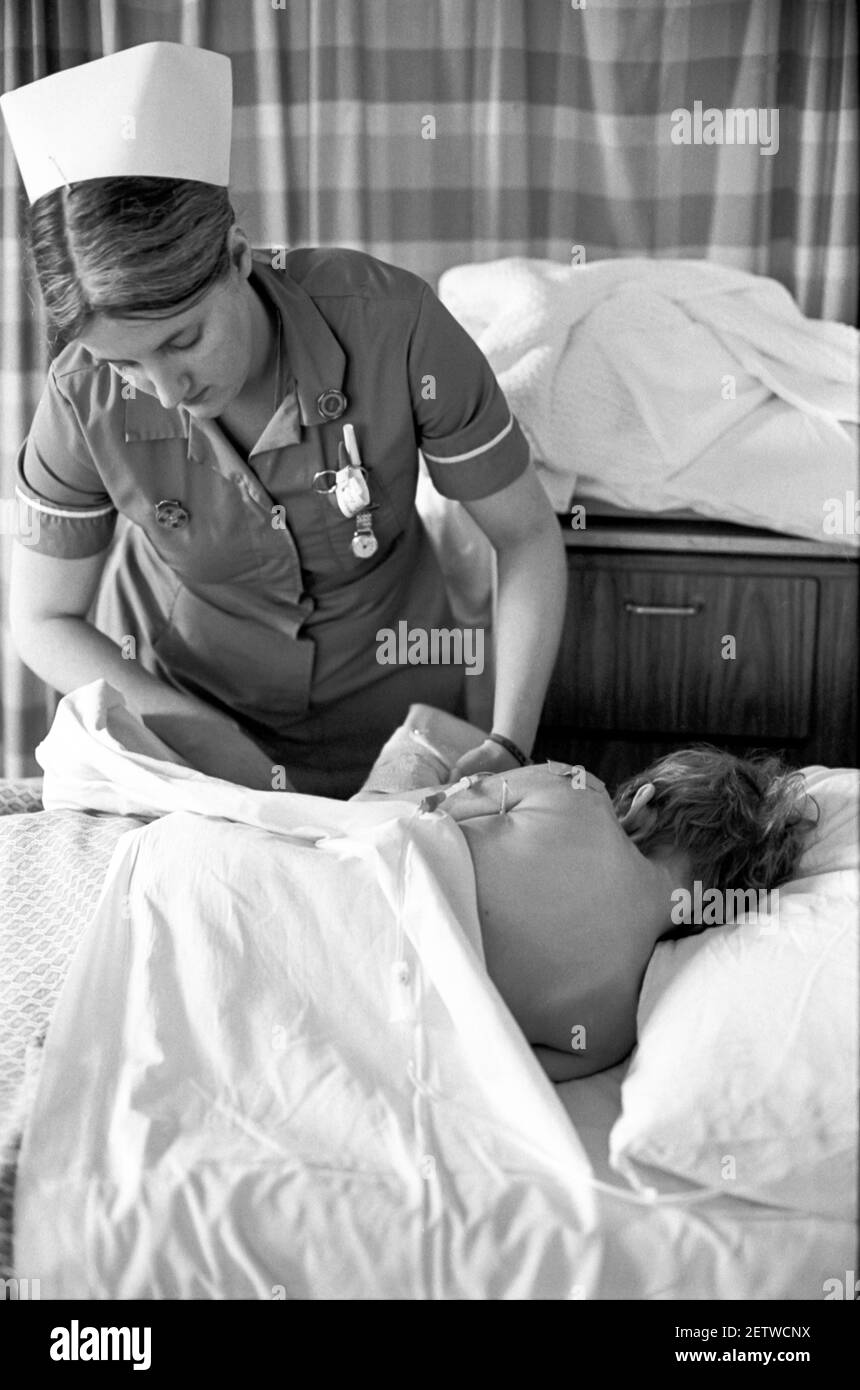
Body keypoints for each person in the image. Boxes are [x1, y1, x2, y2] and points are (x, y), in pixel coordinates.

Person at [1, 42, 566, 797]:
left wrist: (508, 741)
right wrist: (200, 737)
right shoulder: (80, 401)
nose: (165, 391)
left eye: (182, 339)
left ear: (237, 256)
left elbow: (524, 533)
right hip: (185, 726)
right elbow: (42, 617)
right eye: (125, 365)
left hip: (394, 715)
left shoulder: (395, 329)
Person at [362, 746, 819, 1080]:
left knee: (411, 759)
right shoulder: (612, 1033)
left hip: (355, 898)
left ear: (641, 808)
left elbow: (405, 810)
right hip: (372, 1009)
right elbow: (474, 1070)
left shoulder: (574, 791)